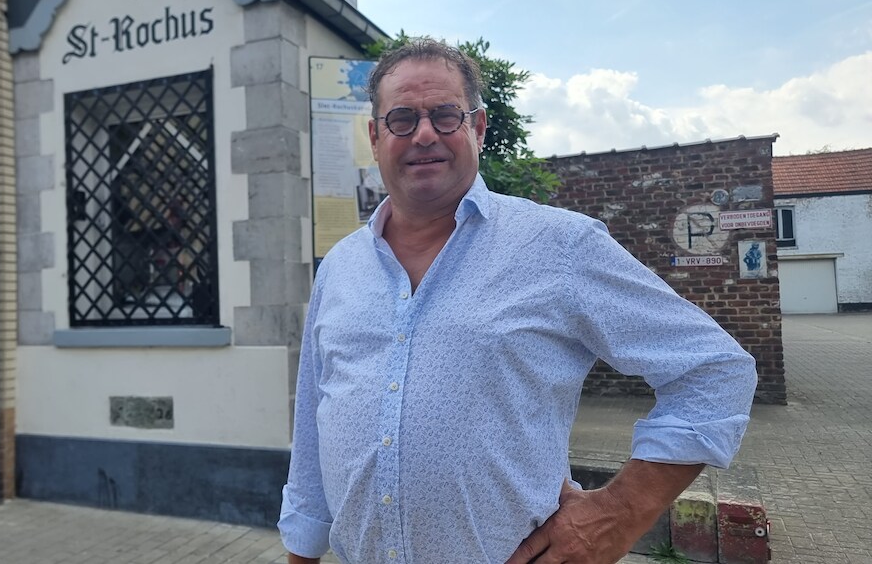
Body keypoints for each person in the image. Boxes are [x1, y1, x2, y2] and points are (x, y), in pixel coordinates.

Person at [278, 38, 757, 564]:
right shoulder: (341, 267)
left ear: (478, 128)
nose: (423, 135)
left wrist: (619, 514)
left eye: (444, 116)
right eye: (401, 119)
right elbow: (313, 429)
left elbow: (715, 371)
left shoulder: (558, 246)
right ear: (374, 137)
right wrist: (301, 553)